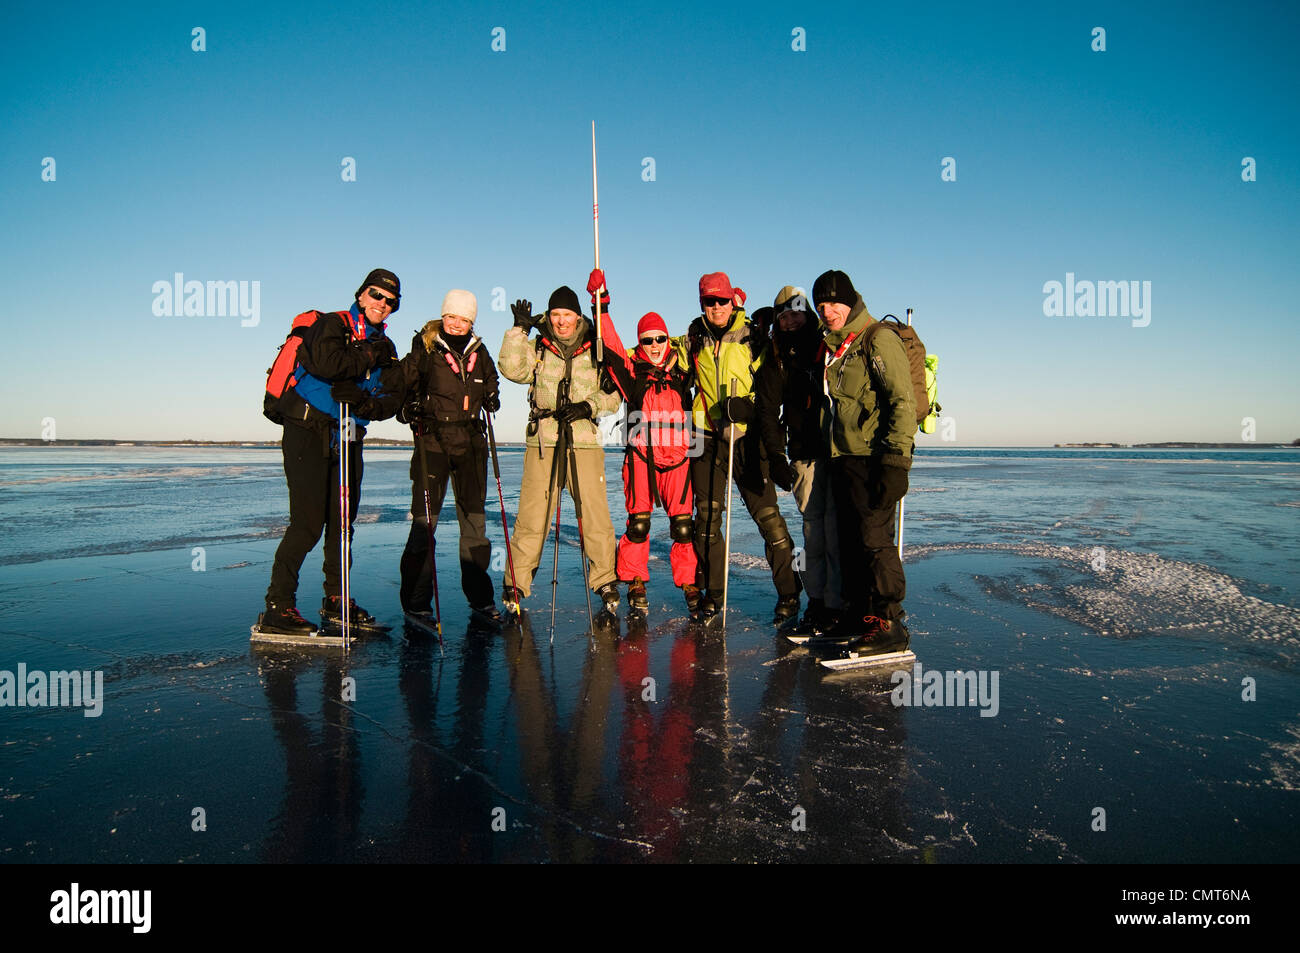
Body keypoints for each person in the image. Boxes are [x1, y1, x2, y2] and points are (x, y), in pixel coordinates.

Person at [260, 268, 403, 634]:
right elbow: (326, 364)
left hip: (349, 434)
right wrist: (368, 356)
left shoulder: (386, 346)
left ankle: (337, 601)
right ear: (361, 295)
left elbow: (392, 397)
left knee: (342, 525)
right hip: (307, 429)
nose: (382, 304)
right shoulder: (330, 325)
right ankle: (278, 607)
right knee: (307, 524)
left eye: (390, 301)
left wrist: (366, 404)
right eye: (376, 295)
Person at [672, 272, 801, 622]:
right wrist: (603, 312)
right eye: (709, 302)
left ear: (732, 301)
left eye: (721, 300)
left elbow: (772, 387)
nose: (716, 307)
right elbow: (651, 352)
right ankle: (714, 593)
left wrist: (747, 405)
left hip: (747, 437)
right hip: (705, 437)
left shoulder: (754, 338)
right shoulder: (692, 338)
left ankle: (789, 592)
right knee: (707, 521)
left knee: (769, 520)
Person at [497, 285, 622, 617]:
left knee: (595, 515)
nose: (562, 322)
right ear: (549, 317)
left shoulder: (597, 348)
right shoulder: (539, 344)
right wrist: (519, 331)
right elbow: (512, 370)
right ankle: (517, 582)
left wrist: (587, 406)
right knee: (533, 515)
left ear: (578, 317)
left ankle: (606, 579)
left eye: (567, 315)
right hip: (544, 440)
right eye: (555, 315)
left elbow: (614, 397)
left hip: (583, 440)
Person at [587, 269, 700, 614]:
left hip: (679, 460)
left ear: (668, 340)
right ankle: (635, 578)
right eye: (647, 340)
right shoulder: (632, 373)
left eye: (660, 339)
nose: (654, 346)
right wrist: (601, 305)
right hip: (641, 460)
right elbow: (612, 346)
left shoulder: (684, 372)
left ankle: (689, 580)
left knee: (683, 527)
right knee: (639, 524)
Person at [813, 269, 914, 651]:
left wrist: (895, 462)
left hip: (875, 458)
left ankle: (890, 623)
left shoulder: (877, 339)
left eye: (834, 302)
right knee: (851, 541)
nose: (827, 310)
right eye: (821, 304)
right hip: (844, 457)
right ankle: (861, 614)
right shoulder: (837, 346)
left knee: (875, 541)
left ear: (851, 301)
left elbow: (901, 400)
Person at [396, 289, 503, 628]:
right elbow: (400, 388)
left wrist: (492, 395)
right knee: (424, 525)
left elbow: (490, 378)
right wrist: (406, 410)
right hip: (432, 444)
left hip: (471, 444)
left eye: (464, 319)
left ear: (472, 322)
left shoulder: (480, 350)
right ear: (443, 316)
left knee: (474, 525)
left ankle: (481, 599)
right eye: (451, 317)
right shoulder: (425, 349)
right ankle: (416, 603)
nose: (457, 324)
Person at [754, 286, 842, 636]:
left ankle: (846, 605)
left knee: (841, 534)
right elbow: (766, 408)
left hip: (842, 453)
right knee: (815, 535)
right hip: (805, 456)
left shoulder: (829, 345)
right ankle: (819, 604)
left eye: (797, 312)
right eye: (784, 315)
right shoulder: (776, 358)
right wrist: (776, 455)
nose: (791, 320)